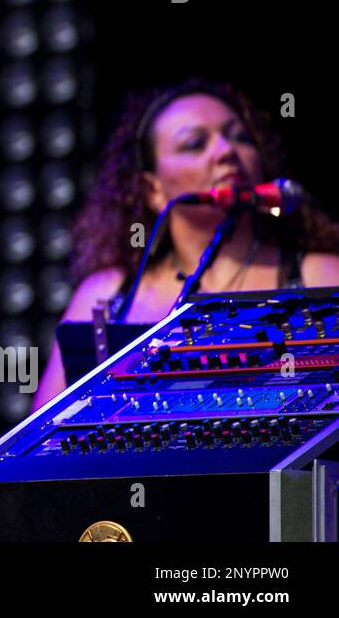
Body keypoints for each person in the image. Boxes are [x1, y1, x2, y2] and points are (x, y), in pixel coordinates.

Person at [31, 78, 339, 411]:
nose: (226, 152)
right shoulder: (106, 295)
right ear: (152, 190)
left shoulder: (321, 276)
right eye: (194, 143)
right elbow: (44, 434)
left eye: (240, 137)